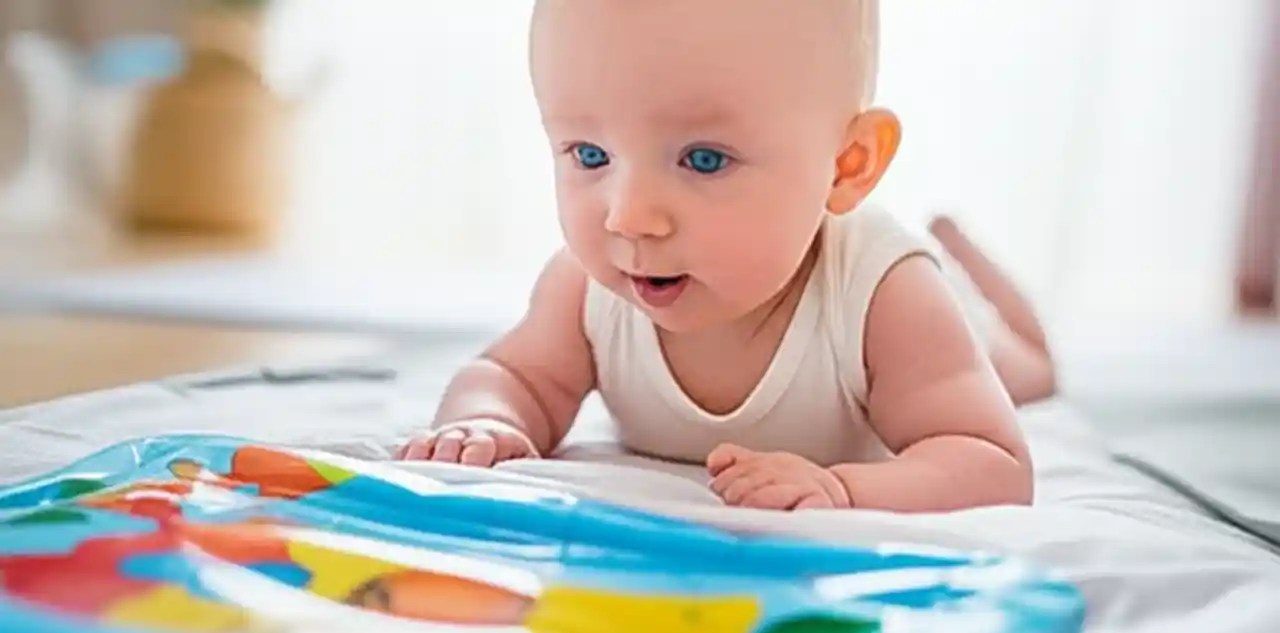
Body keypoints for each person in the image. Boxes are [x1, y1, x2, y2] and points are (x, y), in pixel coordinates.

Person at [400, 0, 1055, 513]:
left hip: (948, 327)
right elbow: (517, 377)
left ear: (847, 165)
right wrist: (486, 421)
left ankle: (975, 267)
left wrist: (846, 490)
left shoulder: (888, 296)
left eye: (704, 160)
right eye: (590, 156)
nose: (628, 216)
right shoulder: (584, 289)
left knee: (1020, 371)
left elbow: (991, 459)